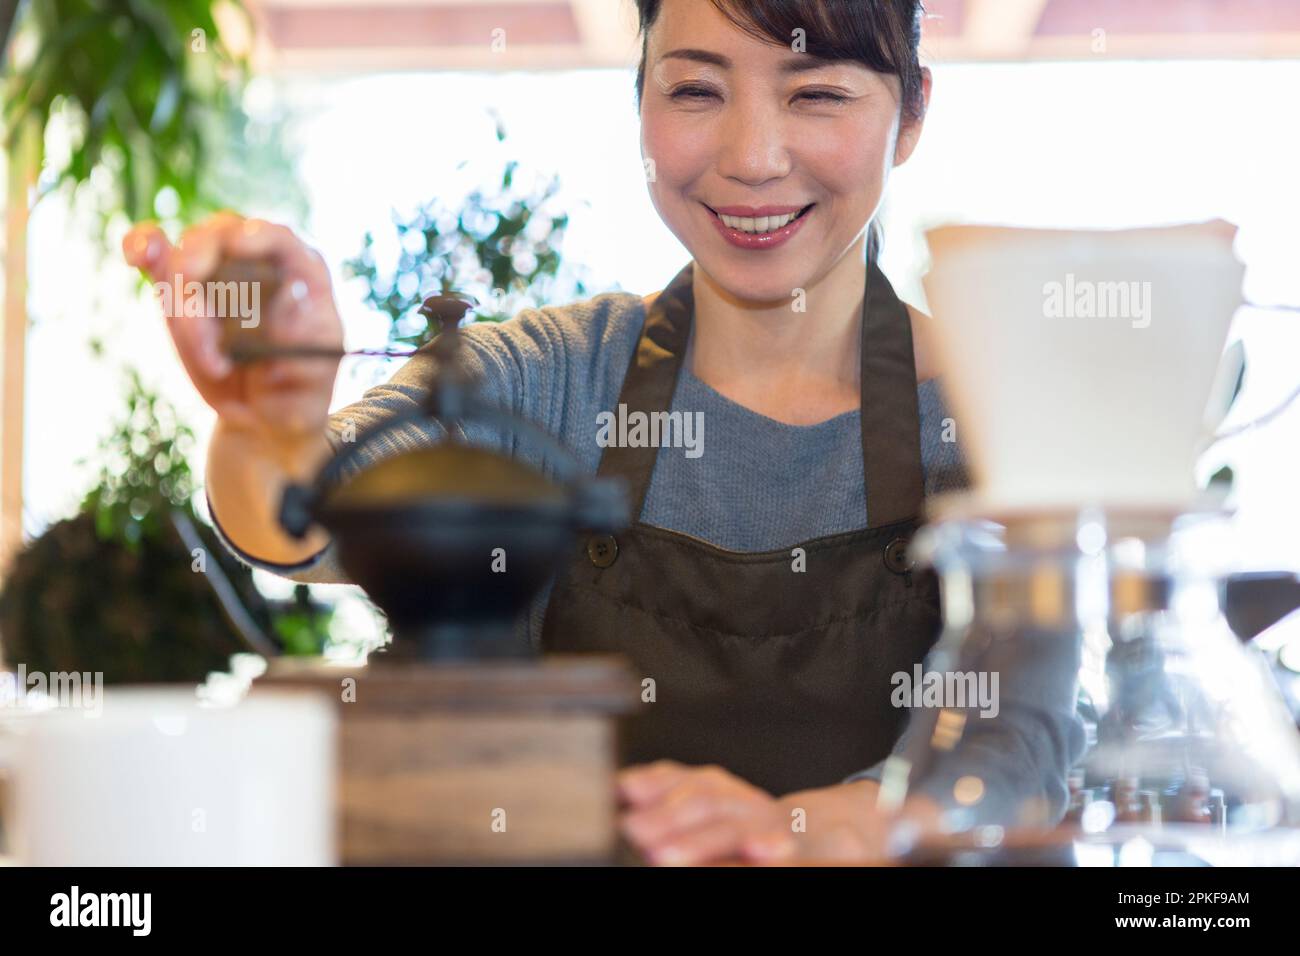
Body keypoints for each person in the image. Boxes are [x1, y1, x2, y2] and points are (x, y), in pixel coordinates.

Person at [124, 0, 1079, 865]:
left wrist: (839, 825)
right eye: (696, 89)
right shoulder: (554, 375)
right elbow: (307, 522)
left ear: (910, 114)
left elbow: (1021, 740)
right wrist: (265, 424)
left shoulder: (1003, 419)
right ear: (641, 108)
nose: (751, 155)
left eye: (819, 93)